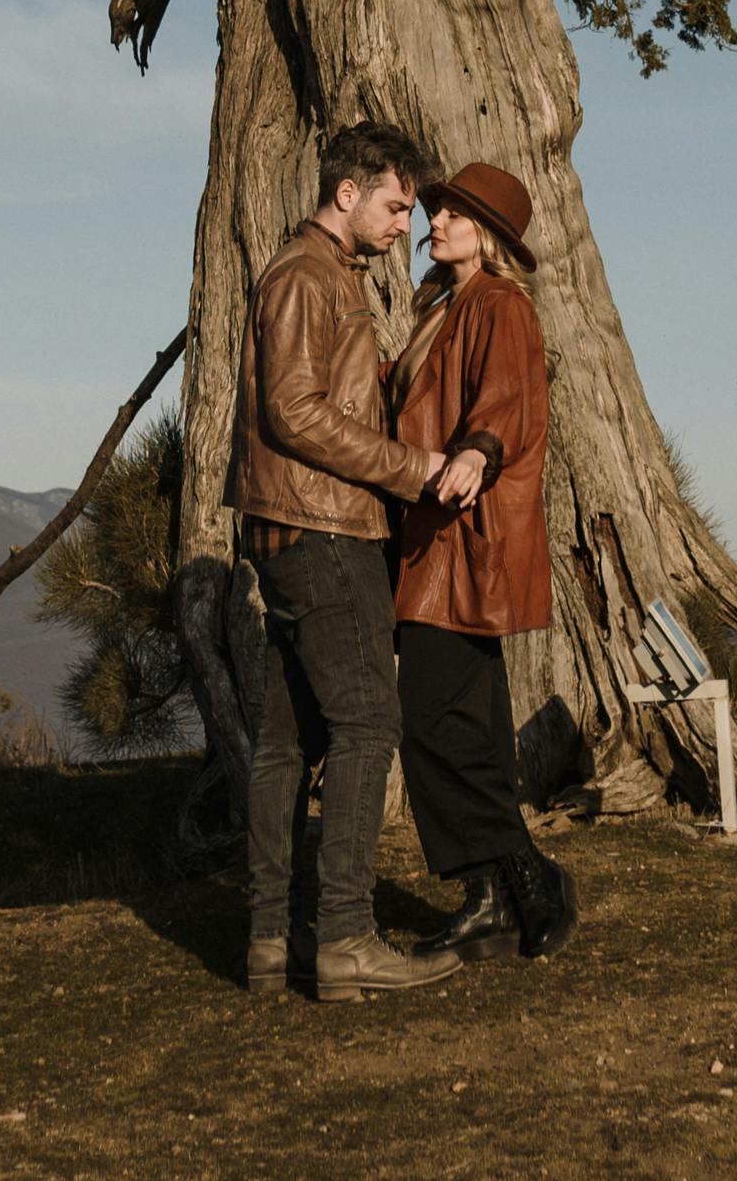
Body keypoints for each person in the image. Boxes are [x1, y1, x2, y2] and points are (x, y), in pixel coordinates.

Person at [233, 118, 458, 1002]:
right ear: (348, 193)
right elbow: (294, 412)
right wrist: (413, 469)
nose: (407, 224)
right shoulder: (305, 276)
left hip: (297, 526)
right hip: (323, 530)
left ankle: (268, 942)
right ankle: (347, 940)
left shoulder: (329, 277)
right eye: (398, 207)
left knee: (287, 740)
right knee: (369, 723)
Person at [386, 160, 577, 962]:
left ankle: (528, 871)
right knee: (474, 727)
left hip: (465, 542)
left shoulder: (500, 304)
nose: (436, 224)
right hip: (435, 539)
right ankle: (493, 897)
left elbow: (505, 397)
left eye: (455, 216)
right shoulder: (442, 305)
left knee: (429, 720)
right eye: (436, 213)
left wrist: (477, 453)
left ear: (489, 235)